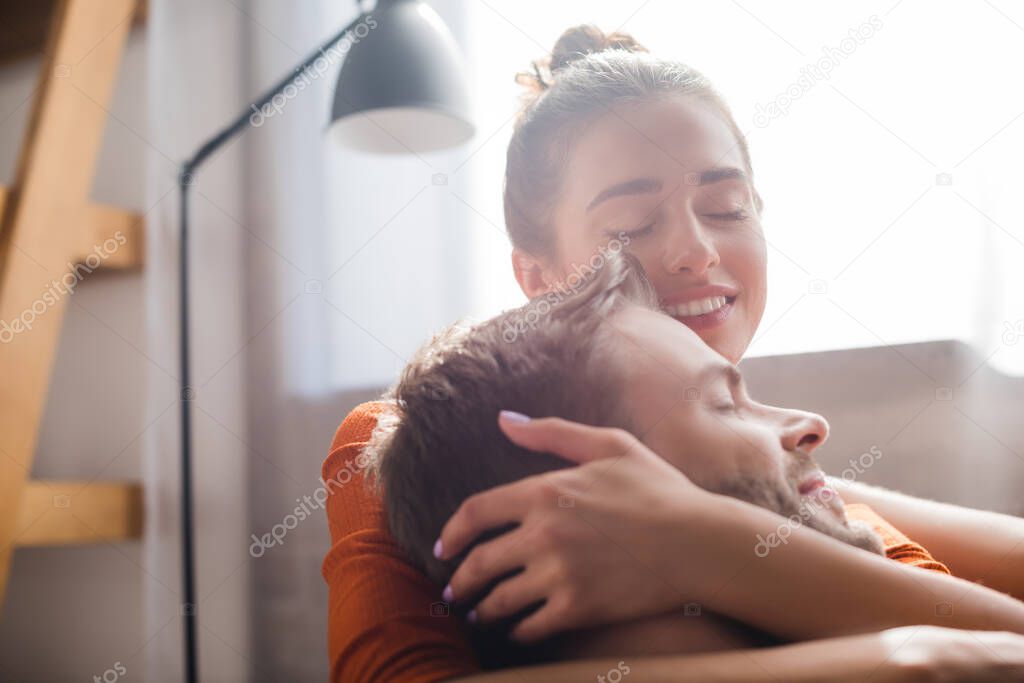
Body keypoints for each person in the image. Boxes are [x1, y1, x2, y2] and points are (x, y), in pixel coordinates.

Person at [322, 24, 1024, 682]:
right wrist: (909, 655)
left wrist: (710, 542)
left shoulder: (785, 476)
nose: (698, 250)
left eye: (727, 208)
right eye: (630, 226)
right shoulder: (414, 443)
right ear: (536, 281)